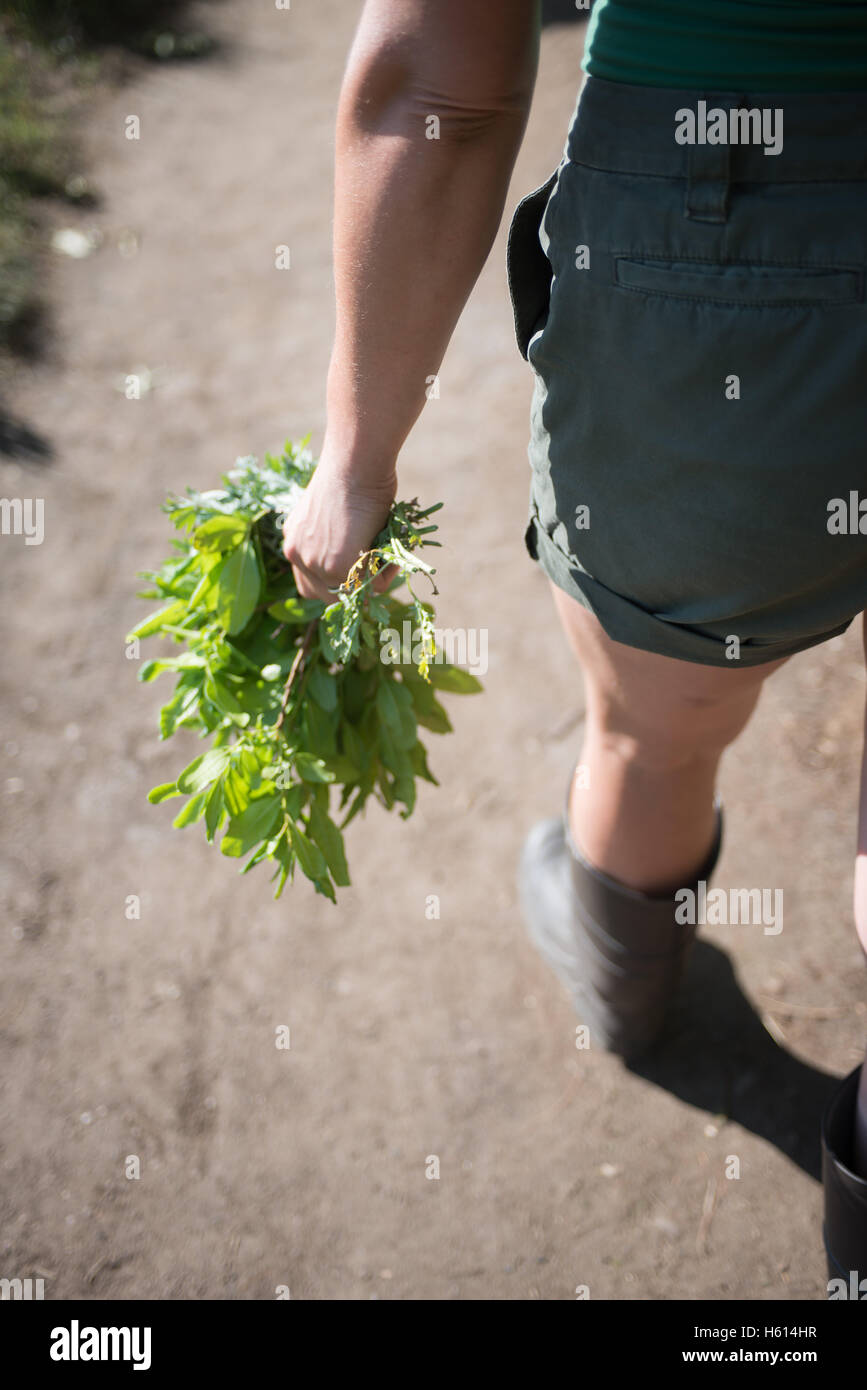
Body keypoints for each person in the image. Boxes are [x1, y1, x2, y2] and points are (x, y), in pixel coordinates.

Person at [281, 0, 867, 1293]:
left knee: (655, 735)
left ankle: (629, 994)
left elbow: (443, 85)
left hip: (728, 241)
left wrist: (355, 458)